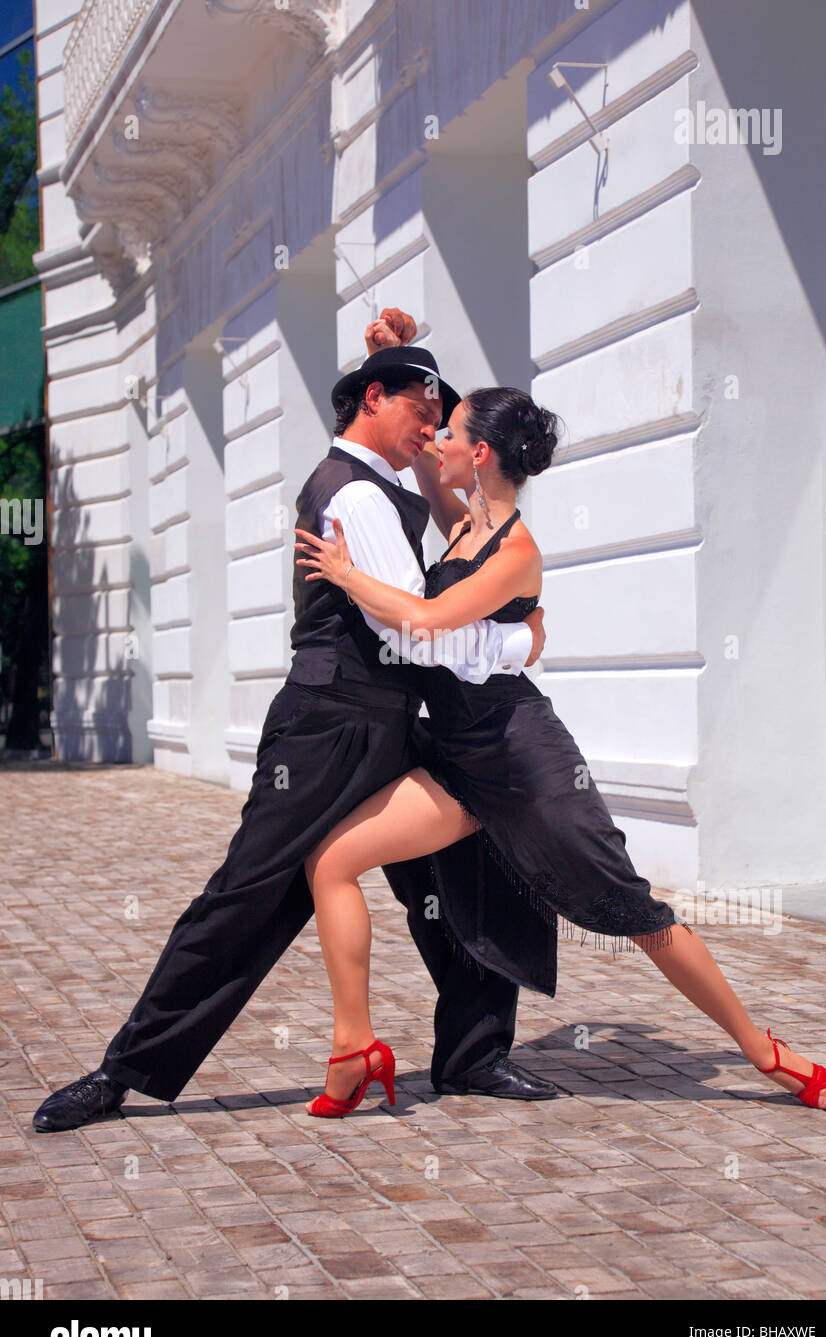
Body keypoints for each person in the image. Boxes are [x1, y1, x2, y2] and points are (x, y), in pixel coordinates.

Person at [32, 331, 558, 1134]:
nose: (432, 428)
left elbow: (429, 580)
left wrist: (400, 349)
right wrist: (522, 643)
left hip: (383, 722)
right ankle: (122, 1072)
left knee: (468, 860)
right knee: (252, 895)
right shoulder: (351, 494)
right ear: (376, 400)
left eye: (442, 419)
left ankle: (473, 1053)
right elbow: (412, 633)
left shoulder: (379, 483)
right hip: (331, 729)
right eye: (423, 410)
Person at [295, 379, 826, 1117]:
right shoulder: (463, 522)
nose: (436, 441)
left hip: (527, 762)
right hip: (459, 763)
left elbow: (424, 623)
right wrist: (385, 368)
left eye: (450, 433)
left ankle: (760, 1049)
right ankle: (354, 1047)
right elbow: (420, 456)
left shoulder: (516, 552)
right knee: (331, 860)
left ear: (482, 452)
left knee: (631, 913)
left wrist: (346, 576)